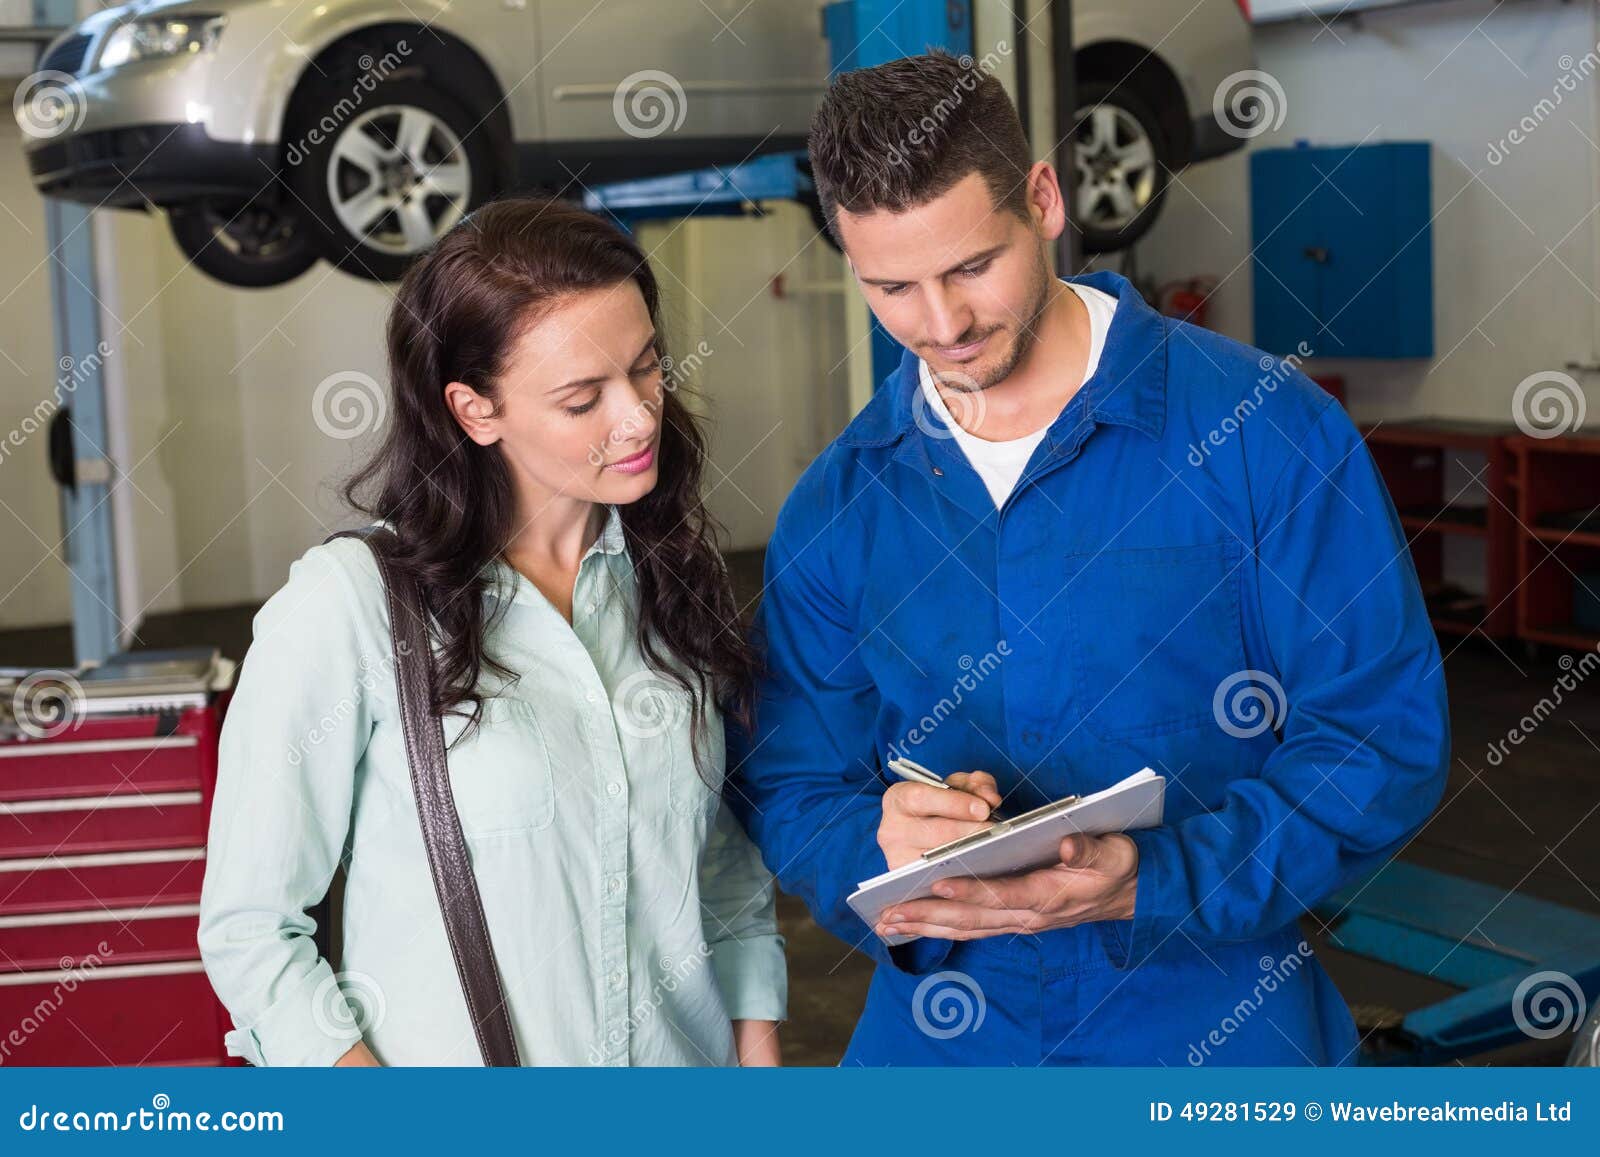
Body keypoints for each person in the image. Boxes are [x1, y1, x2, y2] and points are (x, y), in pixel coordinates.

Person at [727, 51, 1450, 1066]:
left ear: (1043, 199)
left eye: (971, 267)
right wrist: (876, 845)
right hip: (950, 1035)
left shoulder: (1264, 433)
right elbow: (793, 780)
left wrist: (1161, 877)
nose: (942, 324)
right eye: (892, 286)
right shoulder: (840, 505)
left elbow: (1379, 736)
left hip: (1210, 1020)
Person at [199, 196, 786, 1067]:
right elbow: (254, 929)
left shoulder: (670, 579)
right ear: (475, 411)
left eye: (647, 368)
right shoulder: (350, 606)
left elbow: (719, 873)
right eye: (583, 399)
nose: (637, 417)